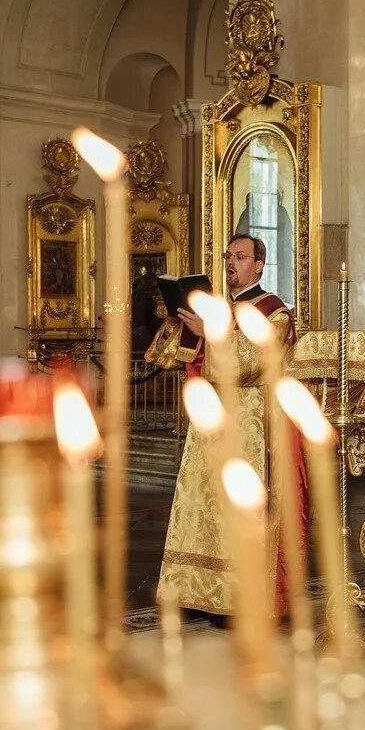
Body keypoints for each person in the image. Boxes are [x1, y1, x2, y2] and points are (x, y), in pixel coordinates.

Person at [148, 234, 307, 620]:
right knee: (204, 508)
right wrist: (178, 322)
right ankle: (195, 591)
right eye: (228, 256)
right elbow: (166, 357)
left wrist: (212, 333)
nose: (232, 262)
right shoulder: (215, 307)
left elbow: (253, 363)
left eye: (241, 256)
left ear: (259, 265)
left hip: (250, 429)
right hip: (209, 426)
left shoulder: (274, 312)